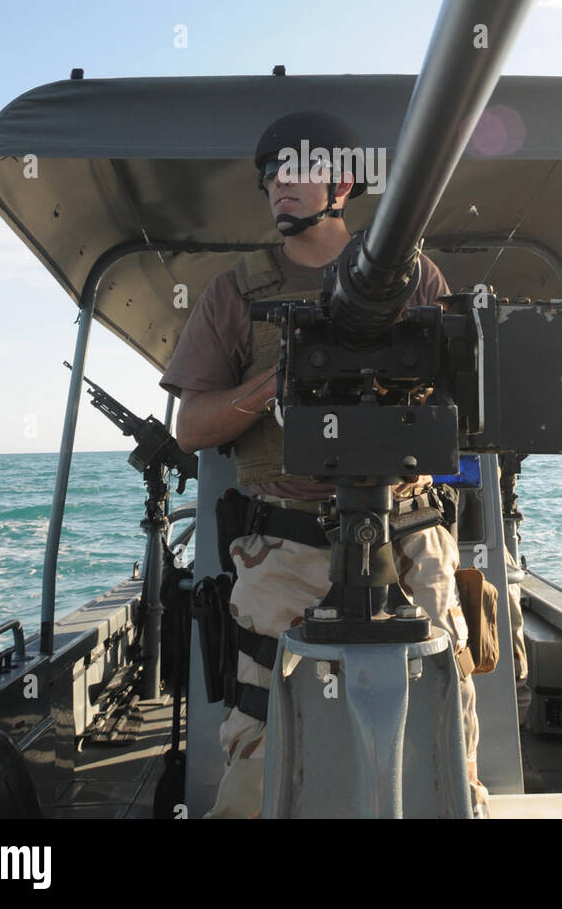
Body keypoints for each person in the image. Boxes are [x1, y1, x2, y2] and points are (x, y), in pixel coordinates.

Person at [160, 111, 486, 817]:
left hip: (407, 532)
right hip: (285, 545)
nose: (278, 183)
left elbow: (463, 406)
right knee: (262, 728)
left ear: (342, 182)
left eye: (297, 168)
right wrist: (275, 383)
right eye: (270, 173)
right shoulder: (235, 292)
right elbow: (190, 427)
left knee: (443, 711)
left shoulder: (413, 276)